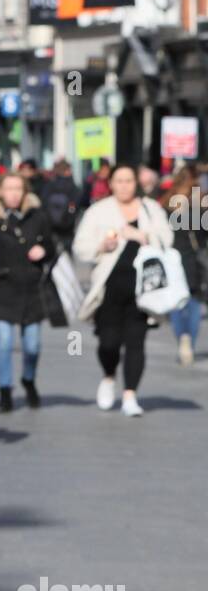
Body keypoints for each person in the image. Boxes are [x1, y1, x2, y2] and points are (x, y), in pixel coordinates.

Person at [73, 162, 173, 416]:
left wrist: (142, 236)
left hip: (143, 290)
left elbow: (167, 238)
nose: (124, 185)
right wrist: (101, 246)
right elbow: (80, 247)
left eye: (129, 180)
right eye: (119, 181)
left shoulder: (151, 209)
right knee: (109, 343)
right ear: (111, 184)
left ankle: (130, 395)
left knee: (136, 342)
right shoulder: (98, 211)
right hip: (108, 289)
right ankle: (108, 376)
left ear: (136, 183)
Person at [0, 171, 55, 411]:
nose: (13, 193)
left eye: (18, 189)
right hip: (2, 286)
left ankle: (29, 379)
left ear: (25, 192)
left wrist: (43, 251)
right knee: (3, 342)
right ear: (0, 191)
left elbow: (51, 246)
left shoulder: (37, 216)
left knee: (32, 345)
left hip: (31, 288)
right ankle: (5, 392)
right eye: (8, 188)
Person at [162, 166, 207, 366]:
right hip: (194, 259)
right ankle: (190, 338)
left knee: (176, 303)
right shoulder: (199, 203)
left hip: (171, 258)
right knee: (194, 301)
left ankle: (182, 338)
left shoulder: (166, 202)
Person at [42, 158, 81, 254]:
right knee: (67, 253)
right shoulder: (72, 186)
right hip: (68, 226)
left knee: (53, 252)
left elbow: (44, 203)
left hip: (51, 226)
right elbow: (76, 204)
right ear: (67, 170)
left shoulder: (49, 185)